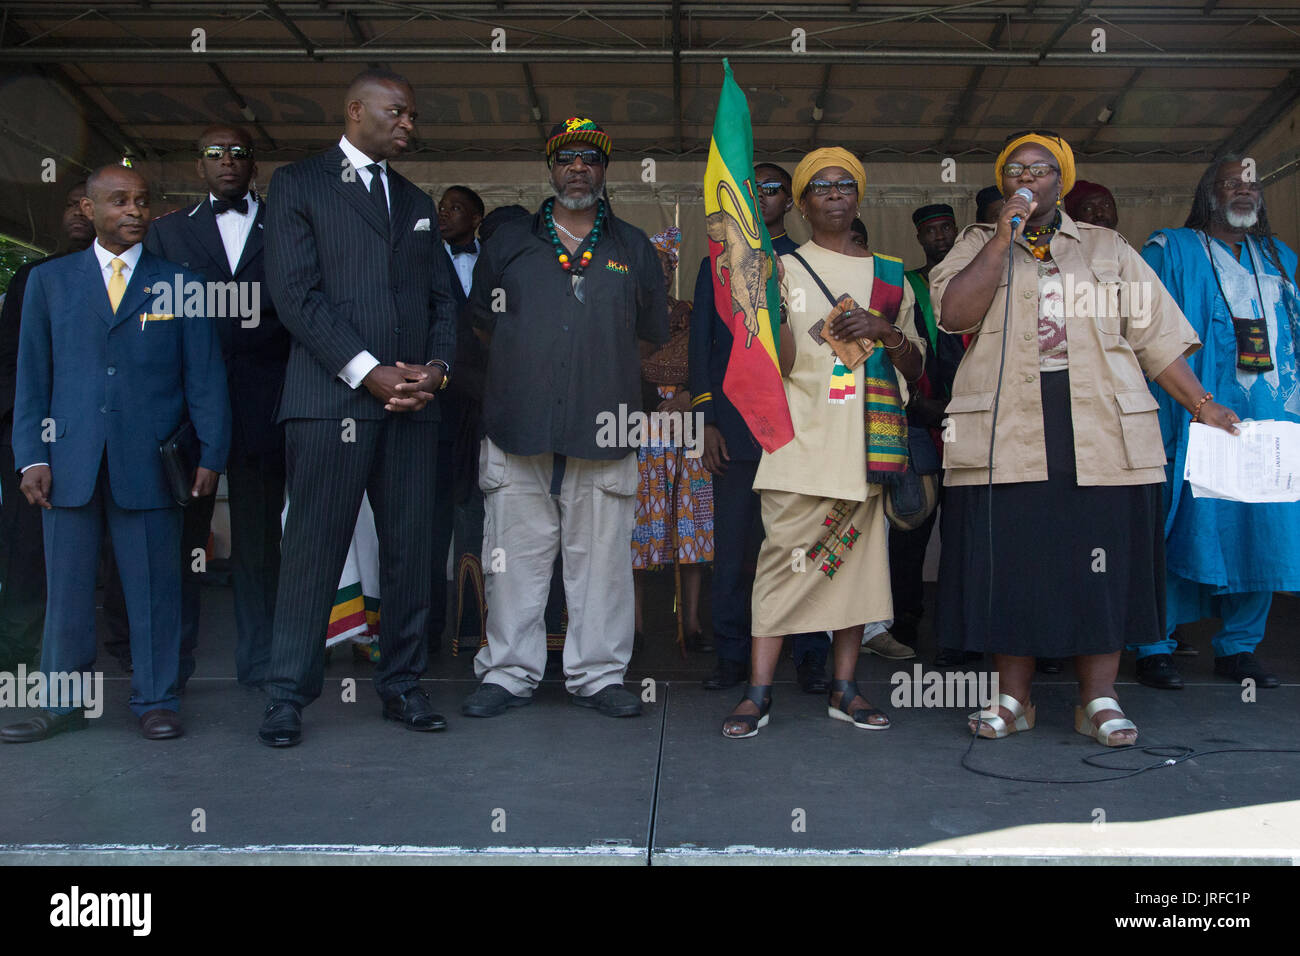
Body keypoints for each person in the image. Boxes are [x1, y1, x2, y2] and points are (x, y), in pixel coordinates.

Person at [930, 131, 1240, 746]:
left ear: (1061, 181)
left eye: (1042, 170)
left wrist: (1203, 404)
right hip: (1006, 427)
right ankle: (1013, 701)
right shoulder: (975, 244)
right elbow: (954, 315)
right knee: (1012, 566)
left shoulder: (1107, 247)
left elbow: (1157, 338)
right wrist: (1001, 237)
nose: (1029, 178)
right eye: (1016, 170)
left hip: (1101, 426)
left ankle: (1098, 699)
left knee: (1102, 567)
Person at [257, 68, 459, 747]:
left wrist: (435, 370)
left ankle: (402, 685)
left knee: (410, 554)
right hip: (329, 403)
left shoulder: (417, 200)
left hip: (413, 408)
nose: (409, 125)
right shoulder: (297, 184)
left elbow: (443, 305)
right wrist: (368, 372)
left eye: (410, 115)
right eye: (397, 112)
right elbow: (294, 293)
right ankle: (287, 694)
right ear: (355, 111)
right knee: (312, 550)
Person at [2, 165, 230, 743]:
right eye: (119, 201)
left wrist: (212, 452)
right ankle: (60, 703)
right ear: (88, 210)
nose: (134, 211)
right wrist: (30, 456)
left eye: (142, 201)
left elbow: (205, 378)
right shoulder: (48, 283)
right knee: (68, 590)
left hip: (152, 461)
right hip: (67, 461)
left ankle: (157, 700)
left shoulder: (182, 283)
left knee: (154, 586)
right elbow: (32, 379)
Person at [462, 117, 668, 719]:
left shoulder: (633, 248)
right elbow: (482, 326)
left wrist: (593, 371)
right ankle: (507, 673)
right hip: (516, 425)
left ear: (604, 170)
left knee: (602, 563)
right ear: (550, 168)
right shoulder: (508, 244)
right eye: (566, 158)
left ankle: (599, 676)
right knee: (513, 557)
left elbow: (651, 337)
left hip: (603, 430)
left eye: (591, 159)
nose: (578, 168)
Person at [722, 147, 925, 738]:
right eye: (820, 186)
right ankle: (757, 694)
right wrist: (765, 305)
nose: (834, 193)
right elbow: (779, 363)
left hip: (868, 451)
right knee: (779, 571)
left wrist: (886, 331)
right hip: (800, 446)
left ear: (858, 196)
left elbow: (917, 369)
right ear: (803, 204)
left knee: (853, 577)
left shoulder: (890, 275)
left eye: (845, 184)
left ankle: (844, 689)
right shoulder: (780, 269)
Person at [105, 125, 288, 691]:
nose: (227, 162)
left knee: (261, 548)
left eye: (239, 153)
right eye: (215, 153)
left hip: (266, 406)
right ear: (198, 166)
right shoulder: (166, 234)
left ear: (254, 165)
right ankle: (172, 668)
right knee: (183, 547)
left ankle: (260, 667)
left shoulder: (286, 224)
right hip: (185, 416)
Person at [1128, 155, 1300, 691]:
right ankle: (1154, 645)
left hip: (1270, 417)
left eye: (1251, 184)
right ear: (1208, 194)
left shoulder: (1281, 257)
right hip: (1193, 414)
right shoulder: (1169, 249)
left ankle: (1239, 647)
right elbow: (1141, 326)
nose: (1243, 192)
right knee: (1181, 522)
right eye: (1230, 184)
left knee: (1258, 524)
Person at [689, 162, 831, 693]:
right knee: (734, 553)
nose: (764, 197)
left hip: (800, 432)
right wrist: (705, 421)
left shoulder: (811, 262)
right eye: (754, 189)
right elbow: (700, 347)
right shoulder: (719, 265)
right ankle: (731, 655)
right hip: (736, 430)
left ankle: (811, 656)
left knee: (805, 549)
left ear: (790, 202)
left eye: (774, 189)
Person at [0, 181, 94, 673]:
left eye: (87, 203)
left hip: (101, 435)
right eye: (70, 204)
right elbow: (14, 360)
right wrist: (24, 439)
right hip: (37, 433)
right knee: (26, 542)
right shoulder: (34, 276)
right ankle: (17, 647)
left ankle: (105, 648)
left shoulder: (139, 279)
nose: (78, 213)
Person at [892, 204, 973, 667]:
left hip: (973, 421)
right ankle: (905, 622)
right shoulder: (908, 286)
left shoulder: (979, 280)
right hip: (923, 421)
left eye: (946, 229)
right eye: (930, 232)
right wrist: (923, 405)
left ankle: (960, 631)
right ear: (920, 238)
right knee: (912, 524)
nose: (940, 237)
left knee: (964, 533)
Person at [633, 226, 713, 649]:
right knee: (639, 529)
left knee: (692, 524)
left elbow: (711, 361)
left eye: (664, 264)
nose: (658, 272)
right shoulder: (622, 312)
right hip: (637, 429)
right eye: (649, 264)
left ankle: (693, 624)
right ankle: (635, 625)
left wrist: (687, 396)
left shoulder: (692, 312)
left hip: (690, 430)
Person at [428, 184, 485, 653]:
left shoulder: (496, 262)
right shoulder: (424, 257)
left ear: (477, 217)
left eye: (455, 208)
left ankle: (475, 629)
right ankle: (426, 634)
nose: (445, 214)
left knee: (478, 524)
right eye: (441, 208)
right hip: (433, 412)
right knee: (428, 529)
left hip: (485, 412)